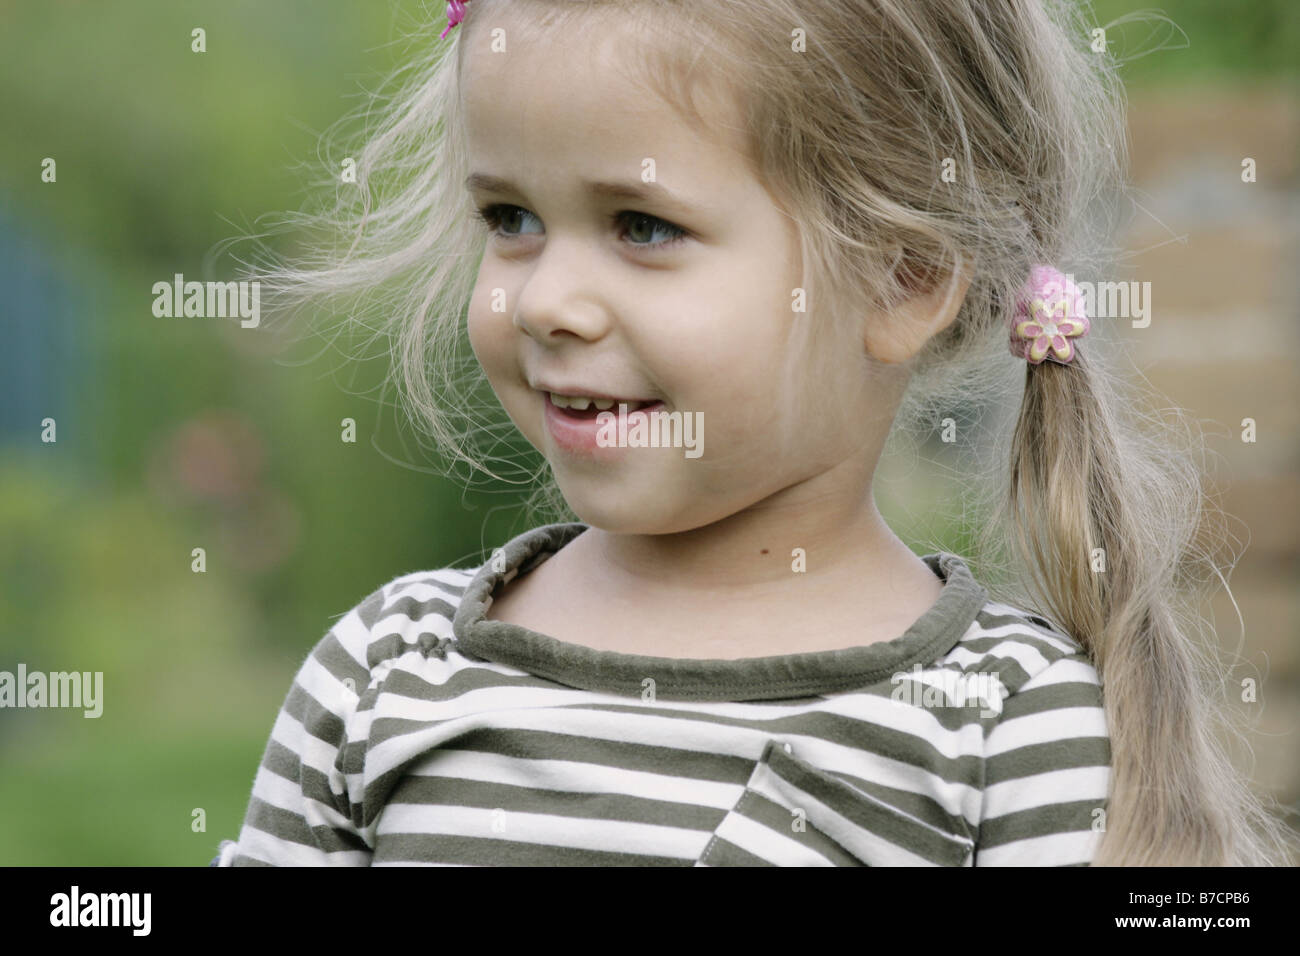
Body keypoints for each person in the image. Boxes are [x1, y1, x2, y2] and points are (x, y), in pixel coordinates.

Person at [211, 0, 1295, 866]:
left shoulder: (1000, 730)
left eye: (642, 227)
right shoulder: (384, 672)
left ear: (902, 276)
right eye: (510, 219)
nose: (545, 300)